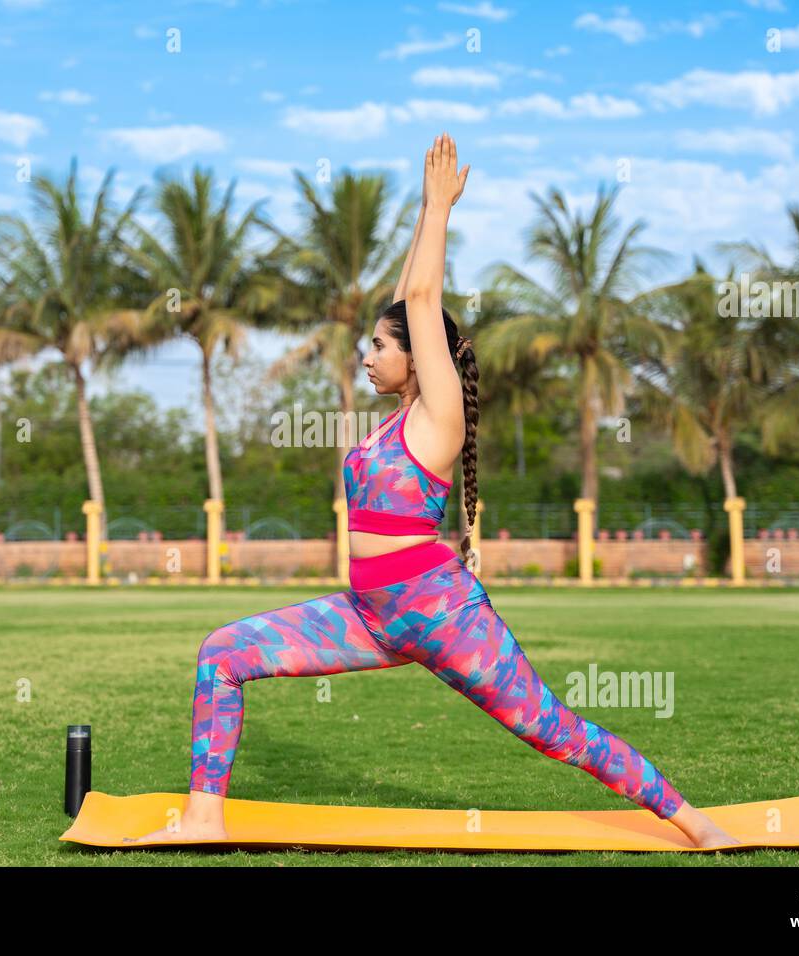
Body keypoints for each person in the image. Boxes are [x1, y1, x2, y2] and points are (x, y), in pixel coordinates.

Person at [126, 133, 740, 850]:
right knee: (222, 652)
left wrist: (436, 208)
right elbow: (404, 297)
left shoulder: (436, 412)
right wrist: (422, 223)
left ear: (421, 358)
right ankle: (205, 818)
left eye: (380, 346)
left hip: (443, 615)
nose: (367, 355)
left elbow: (419, 298)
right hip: (367, 612)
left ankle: (692, 821)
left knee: (553, 731)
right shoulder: (391, 425)